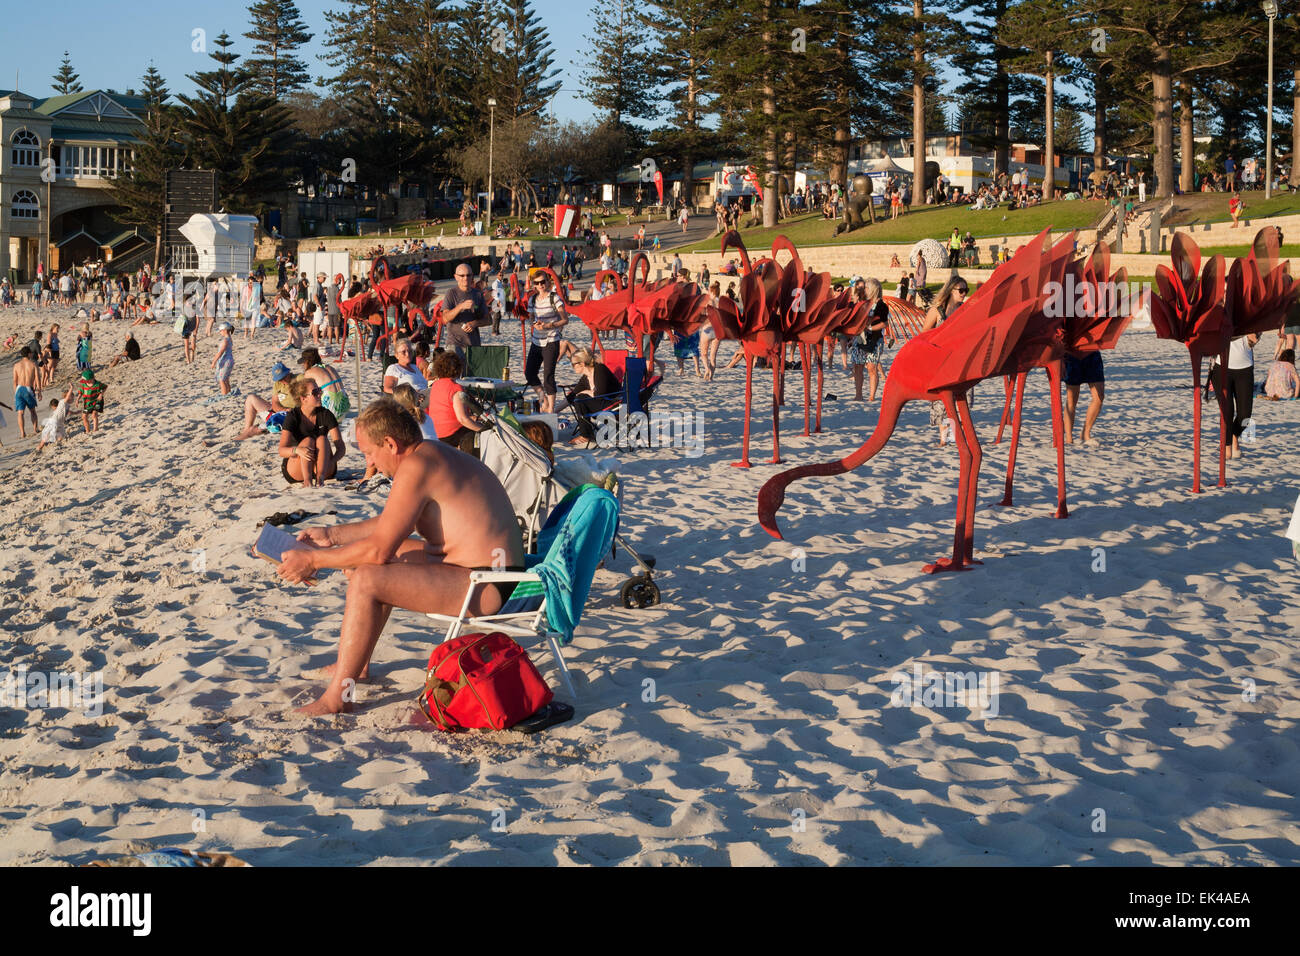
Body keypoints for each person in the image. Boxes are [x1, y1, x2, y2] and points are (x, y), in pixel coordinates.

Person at [277, 398, 524, 715]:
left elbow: (380, 549)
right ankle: (356, 664)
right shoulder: (430, 454)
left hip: (488, 585)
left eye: (369, 453)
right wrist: (332, 535)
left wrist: (312, 561)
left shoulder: (418, 466)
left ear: (390, 444)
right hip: (485, 571)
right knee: (364, 565)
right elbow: (391, 523)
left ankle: (337, 697)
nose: (370, 462)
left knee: (368, 578)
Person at [920, 277, 970, 445]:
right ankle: (944, 439)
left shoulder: (966, 310)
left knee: (961, 400)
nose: (964, 294)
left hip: (961, 362)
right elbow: (924, 334)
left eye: (966, 290)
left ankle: (953, 436)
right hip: (940, 362)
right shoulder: (937, 311)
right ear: (950, 291)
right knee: (942, 401)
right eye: (960, 290)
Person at [278, 376, 345, 486]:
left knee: (322, 440)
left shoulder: (326, 414)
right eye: (315, 392)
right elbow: (281, 450)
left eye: (319, 390)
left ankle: (320, 478)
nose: (320, 394)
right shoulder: (293, 416)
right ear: (303, 399)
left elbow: (341, 448)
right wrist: (297, 450)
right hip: (297, 466)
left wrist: (331, 461)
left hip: (322, 465)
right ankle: (307, 481)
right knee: (308, 441)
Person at [426, 351, 488, 453]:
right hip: (450, 435)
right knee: (484, 434)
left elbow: (446, 411)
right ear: (458, 369)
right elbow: (462, 419)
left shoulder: (436, 385)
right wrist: (483, 429)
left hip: (436, 432)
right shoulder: (455, 388)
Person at [525, 270, 569, 414]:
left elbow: (565, 319)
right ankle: (542, 398)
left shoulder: (554, 298)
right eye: (537, 283)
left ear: (547, 282)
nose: (540, 285)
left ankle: (550, 408)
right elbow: (531, 317)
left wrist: (549, 325)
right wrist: (534, 324)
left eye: (543, 282)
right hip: (536, 340)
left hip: (551, 340)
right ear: (534, 285)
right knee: (529, 373)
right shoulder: (532, 299)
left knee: (548, 375)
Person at [1222, 332, 1259, 459]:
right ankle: (1227, 446)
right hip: (1221, 366)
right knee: (1228, 411)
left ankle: (1234, 435)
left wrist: (1254, 336)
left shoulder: (1248, 313)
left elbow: (1254, 340)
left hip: (1245, 367)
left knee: (1245, 414)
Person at [440, 264, 487, 361]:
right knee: (455, 375)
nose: (465, 278)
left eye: (468, 275)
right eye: (462, 275)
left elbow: (488, 319)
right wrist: (460, 306)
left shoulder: (478, 294)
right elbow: (445, 318)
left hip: (474, 345)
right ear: (456, 277)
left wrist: (475, 323)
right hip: (455, 345)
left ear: (472, 276)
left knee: (471, 376)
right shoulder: (451, 293)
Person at [1063, 350, 1106, 446]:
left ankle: (1085, 433)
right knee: (1071, 400)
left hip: (1092, 354)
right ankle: (1069, 438)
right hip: (1072, 354)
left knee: (1099, 396)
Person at [299, 347, 350, 420]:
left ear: (307, 361)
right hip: (344, 407)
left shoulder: (309, 372)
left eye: (303, 363)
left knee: (306, 396)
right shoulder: (330, 367)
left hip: (330, 410)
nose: (303, 365)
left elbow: (305, 391)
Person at [382, 337, 430, 404]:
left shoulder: (414, 367)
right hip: (411, 402)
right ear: (396, 355)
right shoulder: (394, 368)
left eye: (409, 351)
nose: (407, 354)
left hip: (425, 397)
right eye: (403, 352)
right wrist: (410, 393)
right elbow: (387, 389)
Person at [11, 346, 42, 437]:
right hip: (28, 389)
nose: (32, 354)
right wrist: (39, 391)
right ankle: (35, 429)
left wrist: (15, 393)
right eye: (31, 353)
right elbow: (37, 379)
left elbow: (14, 381)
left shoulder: (16, 365)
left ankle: (22, 433)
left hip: (19, 389)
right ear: (29, 354)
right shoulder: (33, 364)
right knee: (32, 411)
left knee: (20, 412)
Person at [37, 385, 76, 451]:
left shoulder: (67, 405)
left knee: (62, 434)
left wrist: (78, 412)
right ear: (68, 397)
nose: (73, 399)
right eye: (72, 398)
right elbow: (67, 397)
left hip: (60, 422)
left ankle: (57, 443)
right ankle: (40, 446)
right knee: (48, 433)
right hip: (54, 421)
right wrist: (71, 388)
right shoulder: (63, 402)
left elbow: (70, 412)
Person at [78, 368, 107, 433]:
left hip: (97, 402)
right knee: (84, 416)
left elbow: (105, 387)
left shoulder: (97, 384)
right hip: (87, 404)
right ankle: (87, 430)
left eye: (86, 380)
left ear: (92, 379)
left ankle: (95, 429)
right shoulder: (84, 385)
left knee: (94, 414)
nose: (85, 382)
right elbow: (80, 392)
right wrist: (77, 399)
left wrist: (100, 395)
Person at [211, 321, 235, 395]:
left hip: (226, 361)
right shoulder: (229, 338)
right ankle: (229, 393)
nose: (220, 332)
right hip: (229, 360)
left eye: (221, 331)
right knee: (226, 379)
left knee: (222, 380)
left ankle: (224, 395)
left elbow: (220, 352)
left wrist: (214, 361)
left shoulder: (225, 340)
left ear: (224, 330)